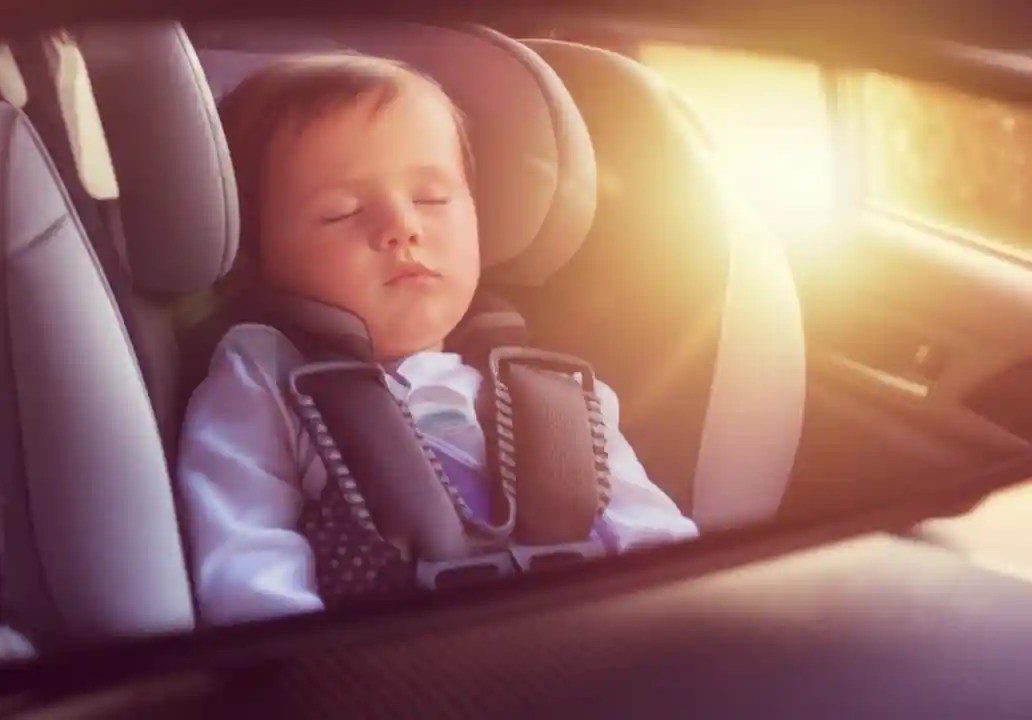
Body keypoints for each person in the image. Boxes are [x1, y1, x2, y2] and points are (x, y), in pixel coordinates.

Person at [177, 54, 697, 627]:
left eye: (431, 198)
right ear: (255, 252)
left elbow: (661, 547)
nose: (403, 226)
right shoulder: (267, 381)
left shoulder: (560, 398)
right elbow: (246, 561)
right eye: (341, 212)